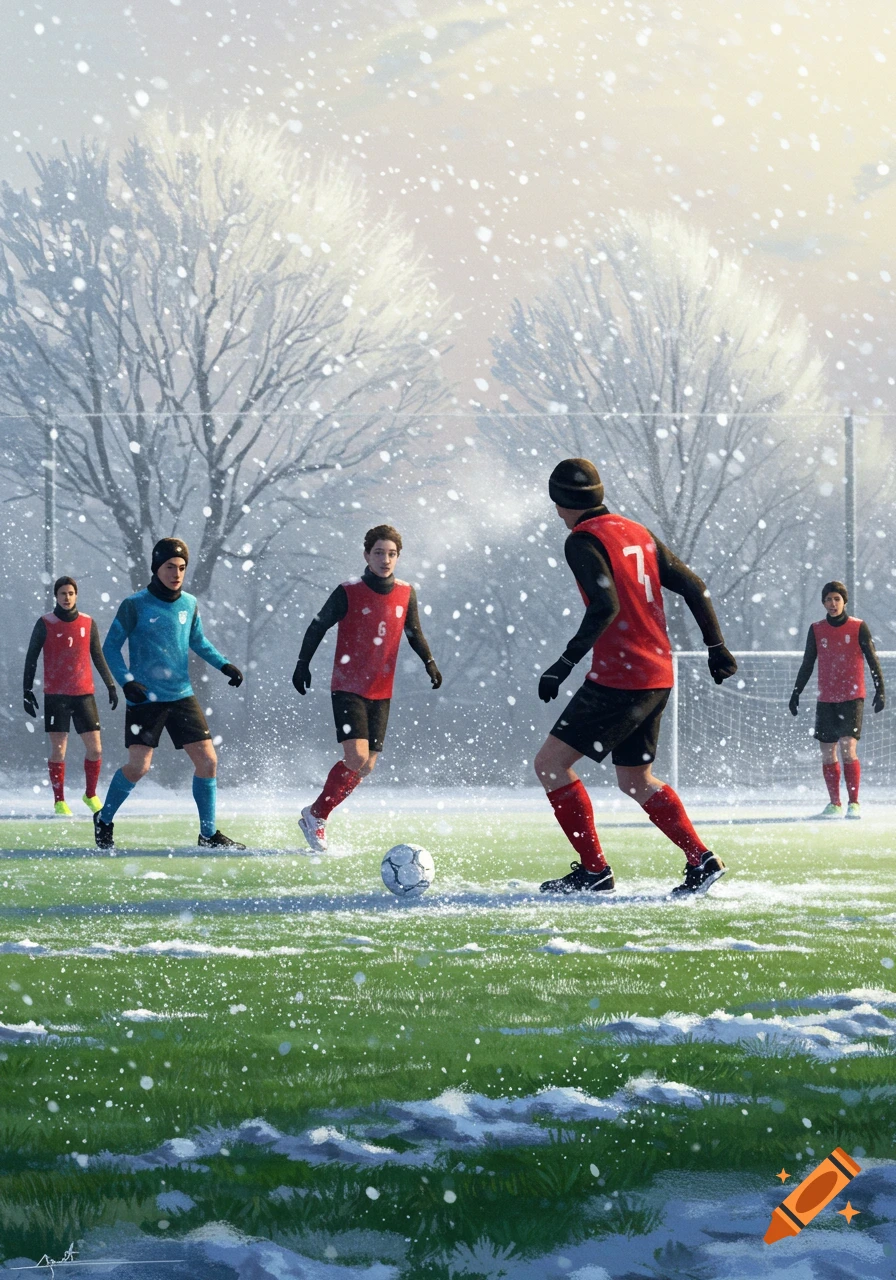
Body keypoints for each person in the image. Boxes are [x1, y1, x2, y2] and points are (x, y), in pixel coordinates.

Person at [534, 458, 738, 896]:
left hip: (619, 679)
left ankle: (594, 871)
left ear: (563, 501)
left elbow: (604, 607)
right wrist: (715, 646)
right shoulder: (637, 532)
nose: (555, 511)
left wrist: (563, 664)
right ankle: (702, 860)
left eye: (556, 502)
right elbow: (694, 584)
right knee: (635, 779)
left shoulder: (582, 541)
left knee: (550, 765)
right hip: (658, 673)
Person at [292, 523, 441, 852]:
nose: (385, 559)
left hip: (381, 691)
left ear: (398, 558)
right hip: (348, 687)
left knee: (368, 764)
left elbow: (413, 631)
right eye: (379, 553)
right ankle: (316, 816)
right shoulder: (349, 590)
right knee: (356, 756)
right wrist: (303, 663)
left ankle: (316, 814)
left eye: (391, 554)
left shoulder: (406, 592)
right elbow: (318, 625)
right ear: (366, 555)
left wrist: (429, 661)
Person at [94, 537, 246, 850]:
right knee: (139, 768)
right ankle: (104, 817)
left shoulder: (189, 604)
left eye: (181, 568)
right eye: (169, 567)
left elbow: (199, 641)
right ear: (156, 568)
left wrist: (224, 665)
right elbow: (109, 647)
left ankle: (208, 834)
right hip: (144, 698)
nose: (176, 573)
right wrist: (125, 681)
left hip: (181, 695)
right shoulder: (134, 605)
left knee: (208, 762)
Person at [23, 575, 119, 816]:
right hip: (56, 696)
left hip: (84, 694)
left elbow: (97, 655)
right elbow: (31, 657)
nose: (67, 597)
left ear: (76, 595)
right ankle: (59, 800)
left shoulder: (88, 622)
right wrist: (27, 691)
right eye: (62, 593)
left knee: (95, 749)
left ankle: (90, 794)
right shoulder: (45, 622)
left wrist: (110, 685)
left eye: (71, 593)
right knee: (59, 751)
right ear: (56, 596)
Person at [789, 580, 885, 819]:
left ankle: (854, 803)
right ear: (823, 602)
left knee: (847, 747)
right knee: (827, 751)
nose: (832, 604)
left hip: (852, 696)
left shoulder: (858, 626)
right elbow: (808, 662)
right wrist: (796, 692)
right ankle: (835, 804)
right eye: (828, 599)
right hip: (827, 698)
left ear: (844, 601)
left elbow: (873, 659)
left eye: (837, 599)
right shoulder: (817, 629)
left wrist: (880, 689)